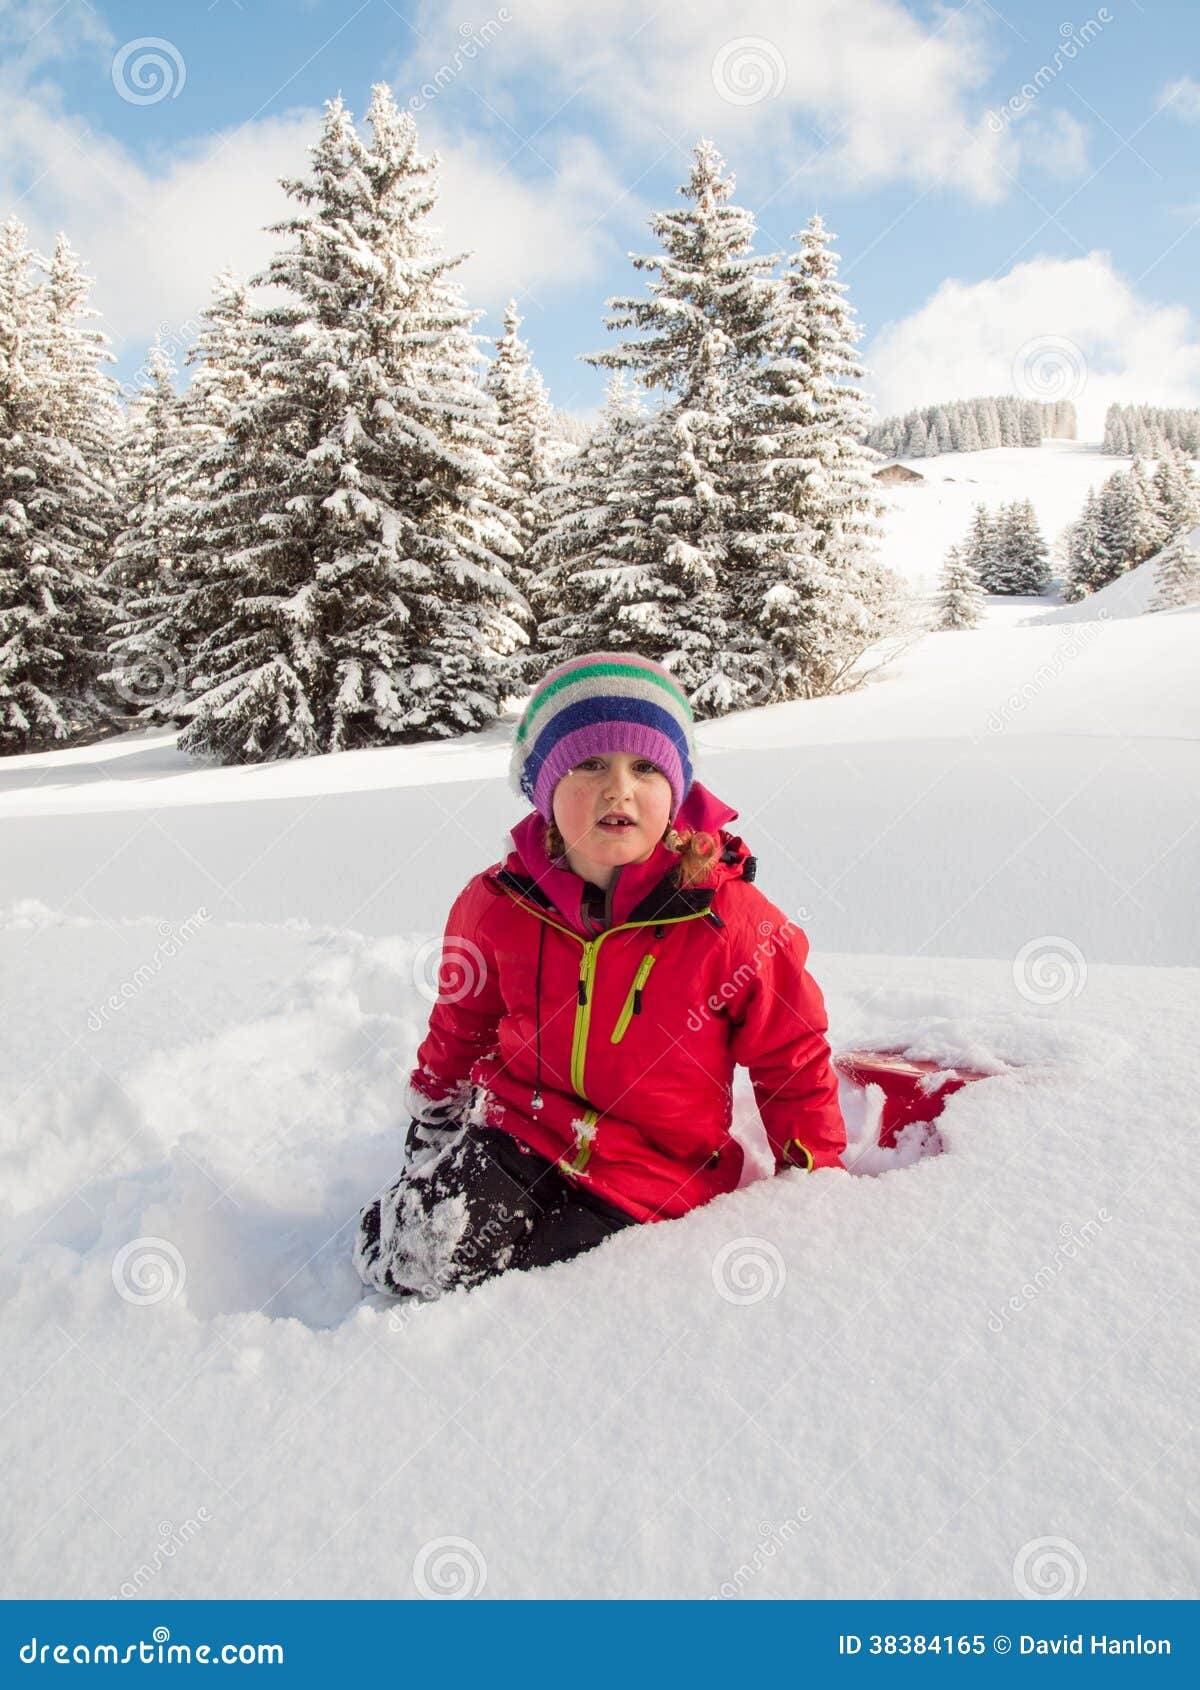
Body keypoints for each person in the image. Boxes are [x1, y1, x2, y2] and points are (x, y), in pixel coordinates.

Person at [354, 651, 846, 1300]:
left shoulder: (732, 921)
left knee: (540, 1293)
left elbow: (790, 1055)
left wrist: (813, 1177)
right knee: (419, 1258)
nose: (619, 788)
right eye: (590, 764)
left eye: (645, 767)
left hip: (653, 1172)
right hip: (520, 1127)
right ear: (545, 789)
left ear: (675, 792)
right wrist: (436, 1112)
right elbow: (462, 1022)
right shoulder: (498, 904)